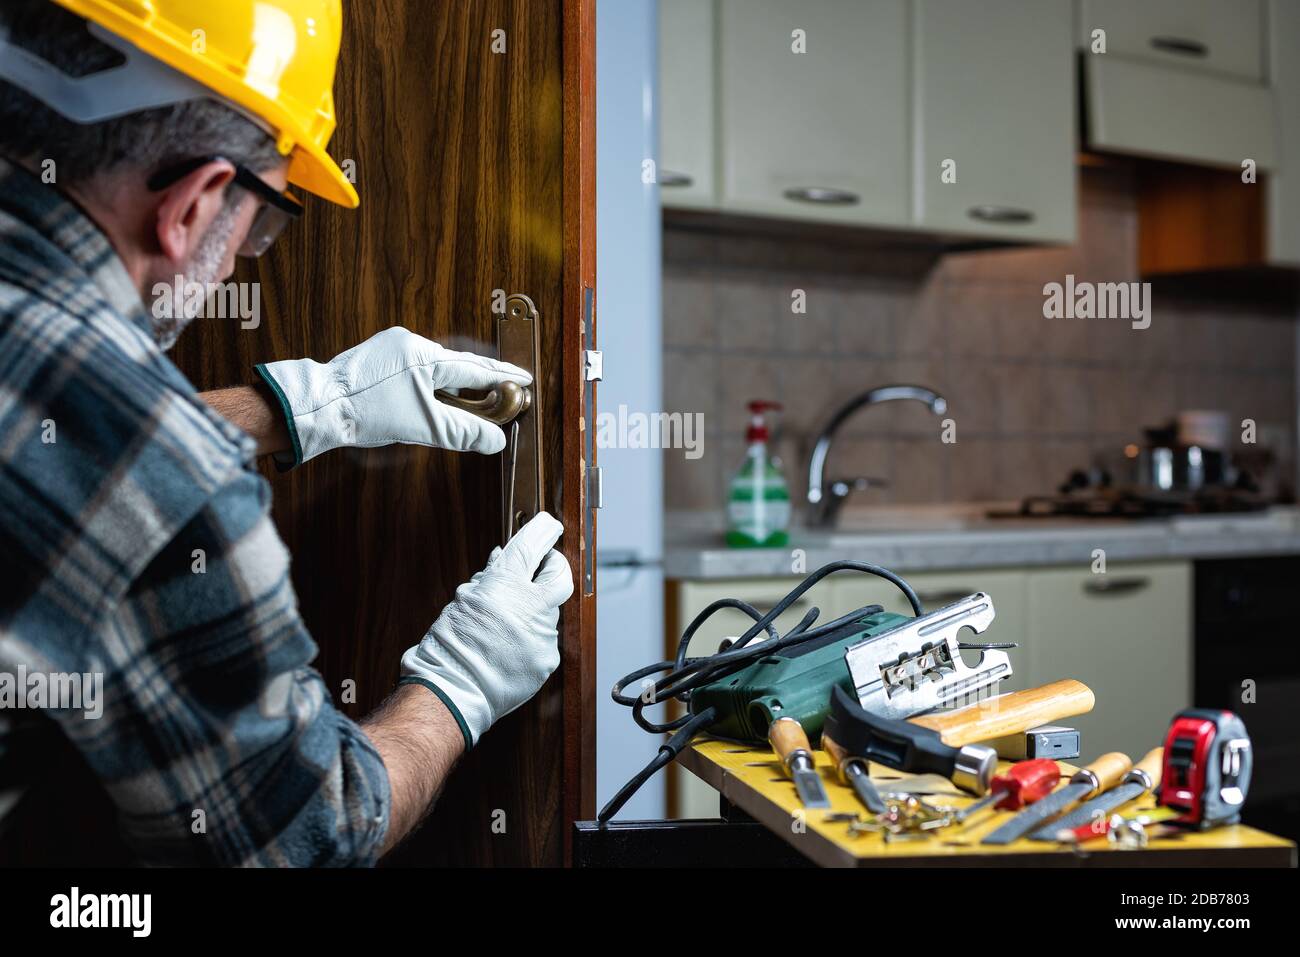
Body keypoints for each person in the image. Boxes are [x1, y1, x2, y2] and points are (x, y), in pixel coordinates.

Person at [0, 0, 572, 865]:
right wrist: (459, 686)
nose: (234, 261)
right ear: (195, 203)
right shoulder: (162, 472)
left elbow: (50, 439)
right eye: (260, 225)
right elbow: (303, 837)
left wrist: (307, 404)